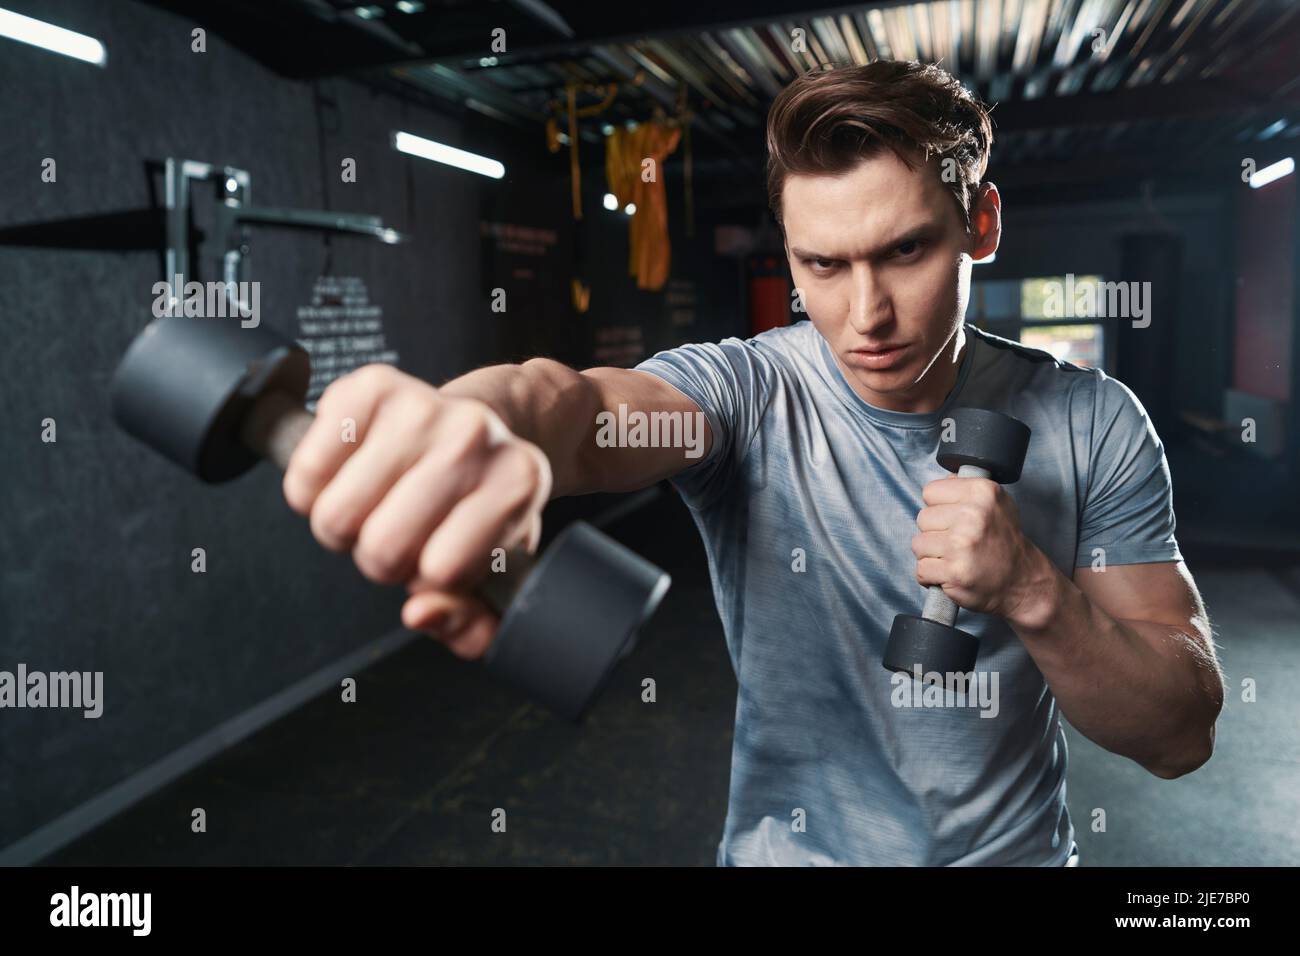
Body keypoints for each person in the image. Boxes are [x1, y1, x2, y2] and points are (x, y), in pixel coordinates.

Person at [280, 60, 1224, 866]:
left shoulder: (1092, 420)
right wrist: (477, 425)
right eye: (821, 265)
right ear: (789, 254)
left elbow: (1179, 734)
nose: (867, 315)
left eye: (905, 251)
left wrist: (1034, 592)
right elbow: (578, 407)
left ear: (980, 226)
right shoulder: (746, 394)